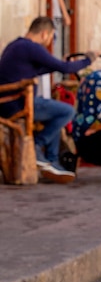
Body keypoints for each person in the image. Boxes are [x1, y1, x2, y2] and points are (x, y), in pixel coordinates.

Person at [0, 17, 93, 180]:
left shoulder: (15, 46)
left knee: (53, 112)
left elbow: (38, 70)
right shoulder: (32, 48)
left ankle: (52, 161)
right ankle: (38, 146)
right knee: (67, 112)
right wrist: (88, 60)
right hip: (20, 103)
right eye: (50, 38)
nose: (49, 42)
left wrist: (60, 65)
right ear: (44, 34)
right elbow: (64, 68)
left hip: (7, 103)